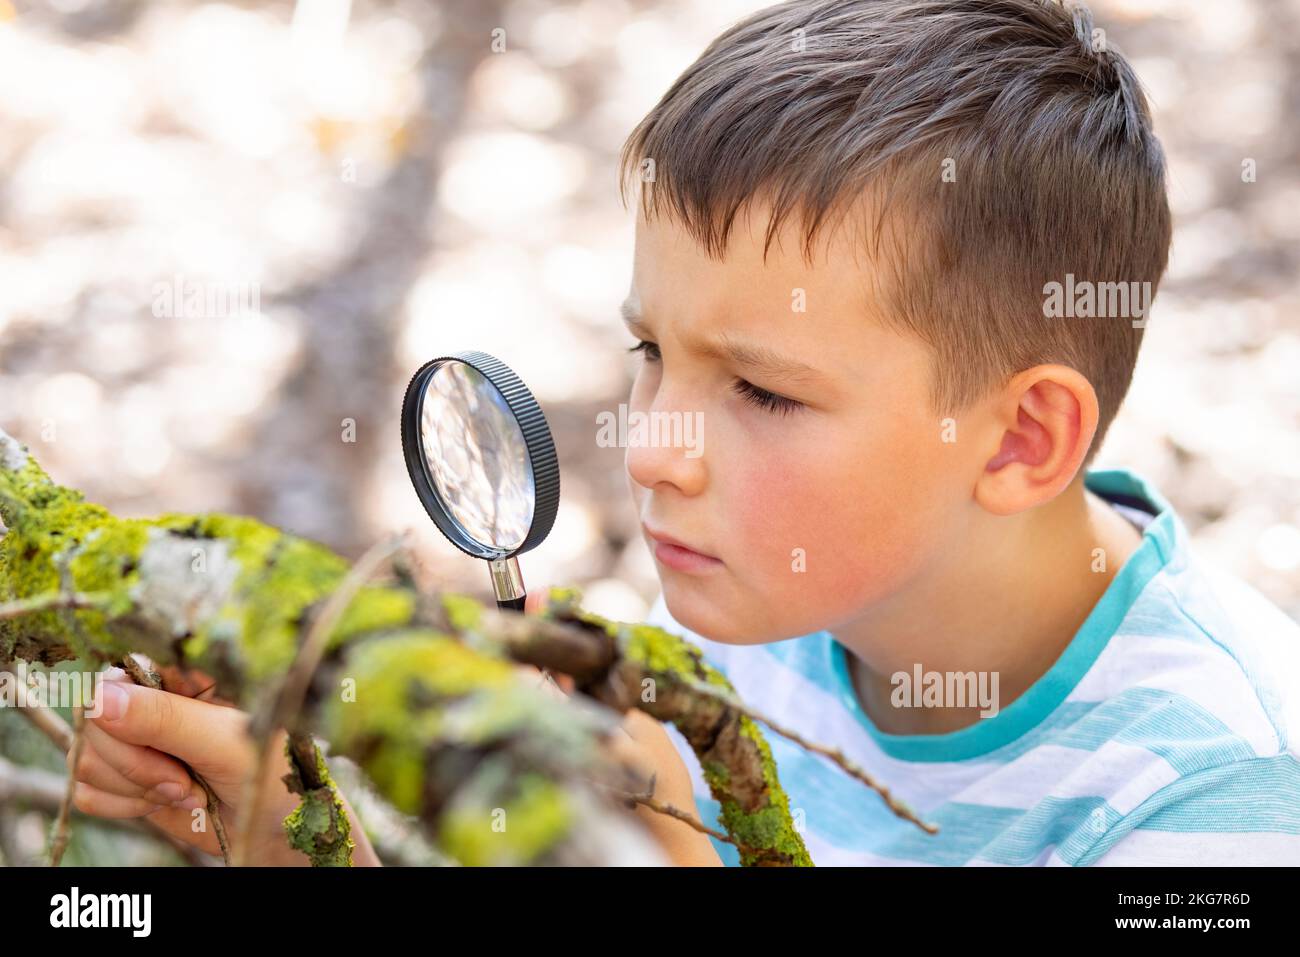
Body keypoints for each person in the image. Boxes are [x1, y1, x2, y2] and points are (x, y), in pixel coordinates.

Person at [76, 0, 1300, 865]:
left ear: (1019, 441)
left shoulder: (1221, 793)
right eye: (652, 353)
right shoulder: (750, 633)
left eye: (764, 394)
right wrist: (299, 840)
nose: (653, 448)